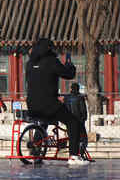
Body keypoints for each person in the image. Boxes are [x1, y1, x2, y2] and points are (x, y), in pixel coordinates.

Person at [25, 38, 87, 166]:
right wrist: (69, 65)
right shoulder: (51, 61)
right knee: (72, 122)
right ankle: (74, 155)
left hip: (31, 105)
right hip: (49, 104)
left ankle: (36, 151)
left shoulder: (29, 63)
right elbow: (68, 74)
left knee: (43, 122)